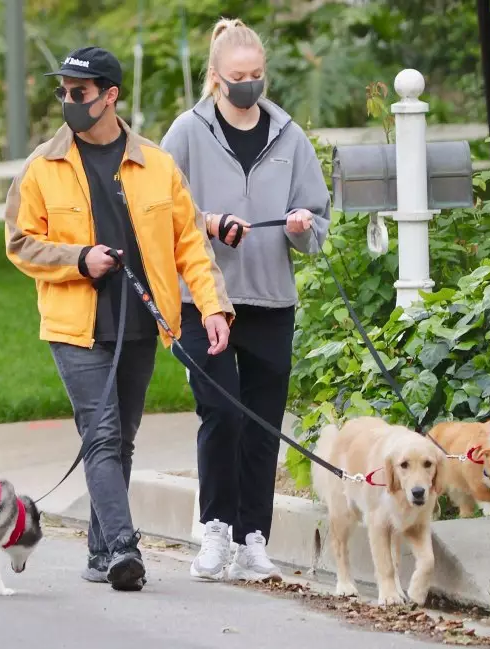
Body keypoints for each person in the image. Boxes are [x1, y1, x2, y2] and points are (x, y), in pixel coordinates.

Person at [4, 46, 234, 592]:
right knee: (102, 435)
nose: (68, 101)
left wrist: (213, 305)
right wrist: (78, 259)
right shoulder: (43, 167)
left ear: (110, 96)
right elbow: (19, 243)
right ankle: (125, 548)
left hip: (139, 323)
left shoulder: (156, 165)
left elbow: (189, 245)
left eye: (78, 93)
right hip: (75, 327)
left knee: (122, 439)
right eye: (62, 91)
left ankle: (99, 551)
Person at [160, 18, 331, 582]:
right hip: (204, 299)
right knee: (222, 414)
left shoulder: (289, 136)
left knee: (262, 423)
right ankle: (213, 530)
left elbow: (316, 225)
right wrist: (209, 223)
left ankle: (253, 538)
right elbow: (158, 212)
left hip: (271, 299)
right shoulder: (186, 132)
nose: (249, 84)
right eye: (238, 76)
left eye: (257, 75)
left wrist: (303, 225)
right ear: (215, 78)